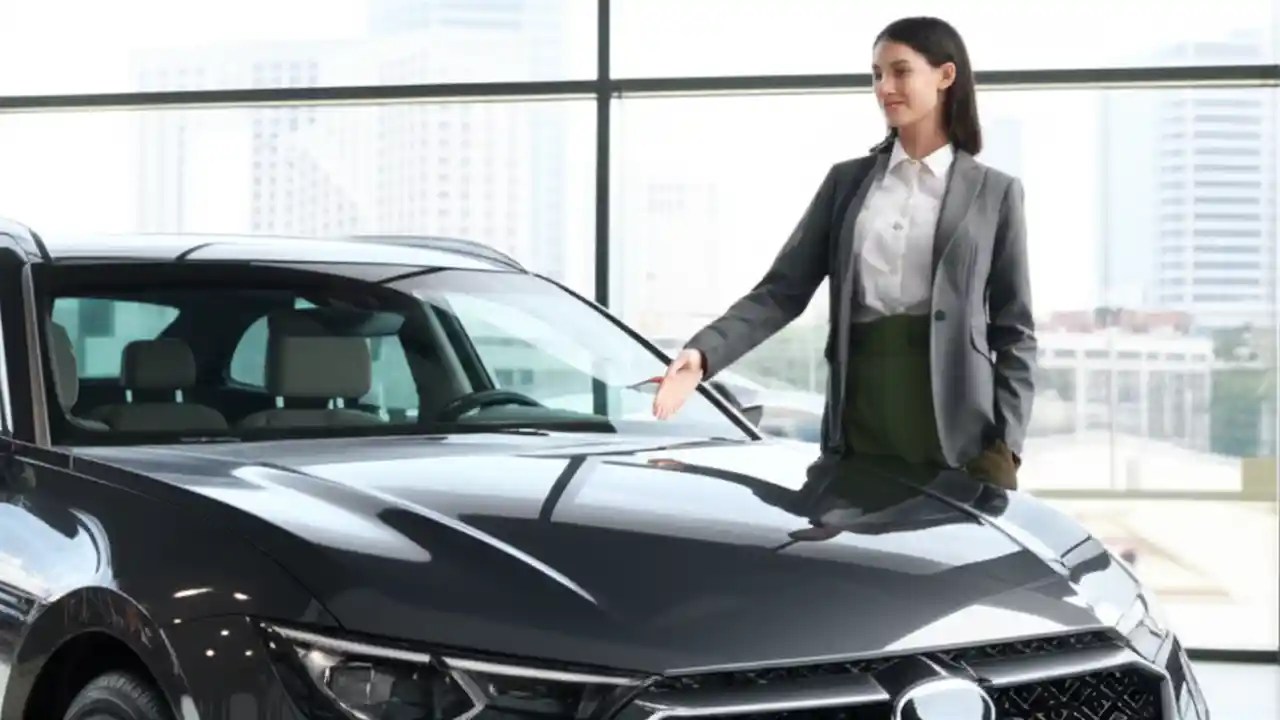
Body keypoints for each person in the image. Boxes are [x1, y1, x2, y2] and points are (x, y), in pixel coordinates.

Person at [652, 16, 1035, 490]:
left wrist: (1007, 447)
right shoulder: (847, 183)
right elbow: (781, 291)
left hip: (958, 429)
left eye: (900, 71)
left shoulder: (995, 192)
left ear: (946, 76)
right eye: (876, 75)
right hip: (862, 415)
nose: (884, 87)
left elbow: (1014, 331)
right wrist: (704, 354)